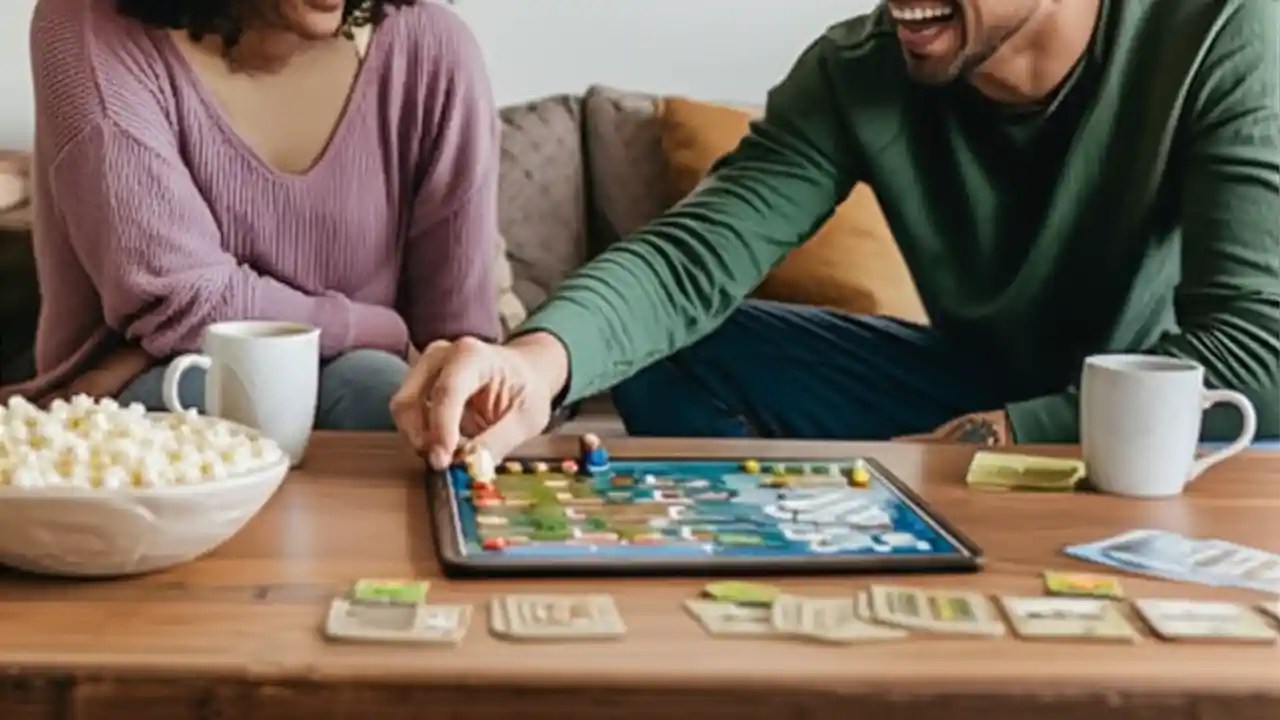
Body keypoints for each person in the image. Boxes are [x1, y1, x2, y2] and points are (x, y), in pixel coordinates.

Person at [391, 0, 1279, 468]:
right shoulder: (857, 69)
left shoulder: (1226, 30)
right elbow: (691, 261)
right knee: (674, 349)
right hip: (973, 381)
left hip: (1160, 420)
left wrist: (994, 439)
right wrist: (532, 365)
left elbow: (1257, 355)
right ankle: (798, 572)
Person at [1, 0, 502, 430]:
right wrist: (383, 329)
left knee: (378, 390)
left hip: (362, 384)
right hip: (138, 402)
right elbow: (180, 299)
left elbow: (456, 349)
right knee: (208, 389)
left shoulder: (433, 50)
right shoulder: (86, 23)